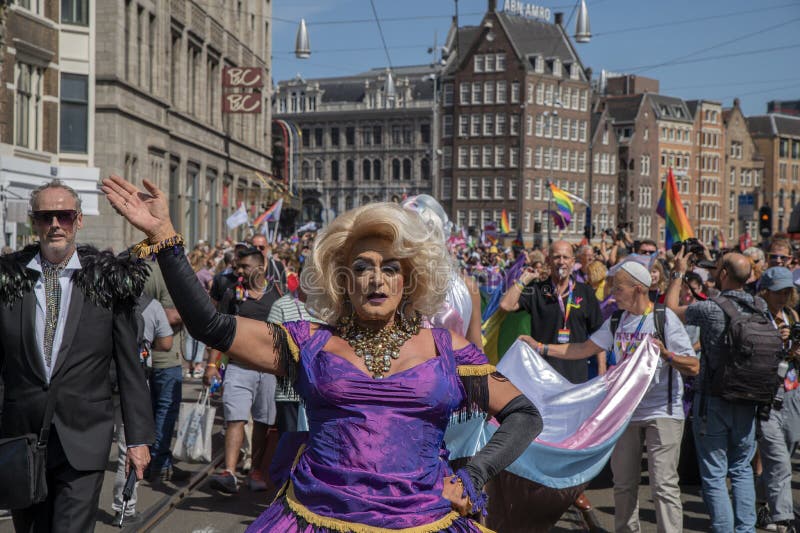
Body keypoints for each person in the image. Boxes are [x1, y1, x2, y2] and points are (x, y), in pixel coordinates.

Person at [102, 175, 542, 532]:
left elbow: (524, 413)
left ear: (408, 281)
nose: (376, 279)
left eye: (390, 269)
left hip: (425, 519)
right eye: (362, 268)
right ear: (343, 281)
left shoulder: (448, 351)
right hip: (316, 518)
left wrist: (473, 475)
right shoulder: (308, 341)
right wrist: (165, 237)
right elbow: (212, 326)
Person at [0, 179, 154, 532]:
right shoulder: (9, 282)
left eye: (64, 216)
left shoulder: (105, 280)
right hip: (22, 438)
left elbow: (130, 366)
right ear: (34, 222)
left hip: (83, 436)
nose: (56, 224)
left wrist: (138, 439)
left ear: (78, 221)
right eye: (46, 216)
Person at [522, 261, 699, 533]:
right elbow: (583, 348)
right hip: (624, 412)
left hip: (662, 412)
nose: (612, 294)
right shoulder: (618, 319)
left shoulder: (664, 318)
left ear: (638, 289)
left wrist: (667, 355)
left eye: (618, 288)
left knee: (663, 485)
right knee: (624, 484)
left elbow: (693, 365)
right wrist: (542, 347)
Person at [498, 240, 604, 531]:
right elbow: (506, 304)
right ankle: (543, 495)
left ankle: (573, 492)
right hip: (542, 379)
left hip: (576, 378)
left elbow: (598, 340)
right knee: (544, 436)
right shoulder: (539, 289)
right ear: (548, 260)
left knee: (573, 439)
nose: (561, 261)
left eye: (566, 257)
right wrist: (524, 278)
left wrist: (602, 378)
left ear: (574, 262)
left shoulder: (584, 293)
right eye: (556, 256)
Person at [665, 249, 765, 533]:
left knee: (714, 473)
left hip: (713, 399)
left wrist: (678, 272)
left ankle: (723, 529)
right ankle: (745, 530)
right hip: (749, 399)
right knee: (742, 469)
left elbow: (671, 311)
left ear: (723, 274)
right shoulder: (761, 306)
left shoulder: (711, 308)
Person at [206, 246, 281, 494]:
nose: (238, 270)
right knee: (235, 418)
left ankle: (256, 470)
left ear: (261, 267)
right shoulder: (232, 294)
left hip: (269, 370)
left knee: (262, 422)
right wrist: (211, 365)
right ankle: (229, 472)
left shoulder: (277, 293)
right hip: (238, 367)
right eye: (237, 266)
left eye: (244, 266)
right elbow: (219, 332)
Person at [112, 293, 173, 525]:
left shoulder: (101, 299)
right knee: (128, 447)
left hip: (99, 380)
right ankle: (124, 508)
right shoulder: (151, 305)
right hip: (133, 381)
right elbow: (166, 343)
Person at [754, 267, 800, 533]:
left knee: (787, 449)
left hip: (792, 393)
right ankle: (784, 519)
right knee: (779, 460)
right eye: (778, 292)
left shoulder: (792, 316)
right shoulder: (756, 318)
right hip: (767, 395)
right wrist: (775, 340)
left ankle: (761, 502)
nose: (783, 297)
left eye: (787, 292)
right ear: (765, 292)